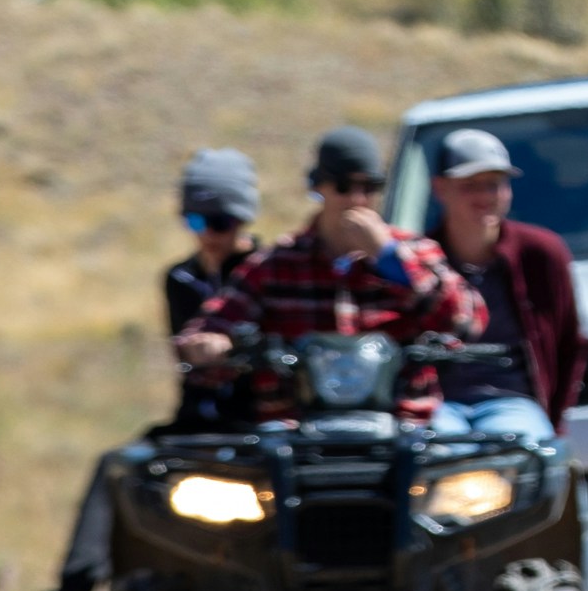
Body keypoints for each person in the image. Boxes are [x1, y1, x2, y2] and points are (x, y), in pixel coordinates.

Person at [6, 149, 263, 591]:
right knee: (117, 468)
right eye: (197, 219)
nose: (209, 232)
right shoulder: (179, 280)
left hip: (260, 421)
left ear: (244, 217)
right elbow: (189, 364)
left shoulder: (270, 271)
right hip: (197, 423)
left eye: (221, 220)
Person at [182, 127, 482, 417]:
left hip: (401, 420)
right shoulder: (277, 264)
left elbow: (468, 320)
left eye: (370, 188)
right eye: (344, 187)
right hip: (297, 427)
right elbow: (212, 327)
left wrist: (389, 257)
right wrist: (211, 346)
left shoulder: (415, 252)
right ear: (318, 188)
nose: (357, 199)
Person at [423, 124, 586, 444]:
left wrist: (554, 421)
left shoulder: (541, 253)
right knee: (428, 458)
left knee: (535, 459)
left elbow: (570, 343)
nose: (485, 196)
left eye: (495, 184)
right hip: (437, 407)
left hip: (514, 403)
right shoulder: (418, 258)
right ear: (440, 188)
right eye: (470, 185)